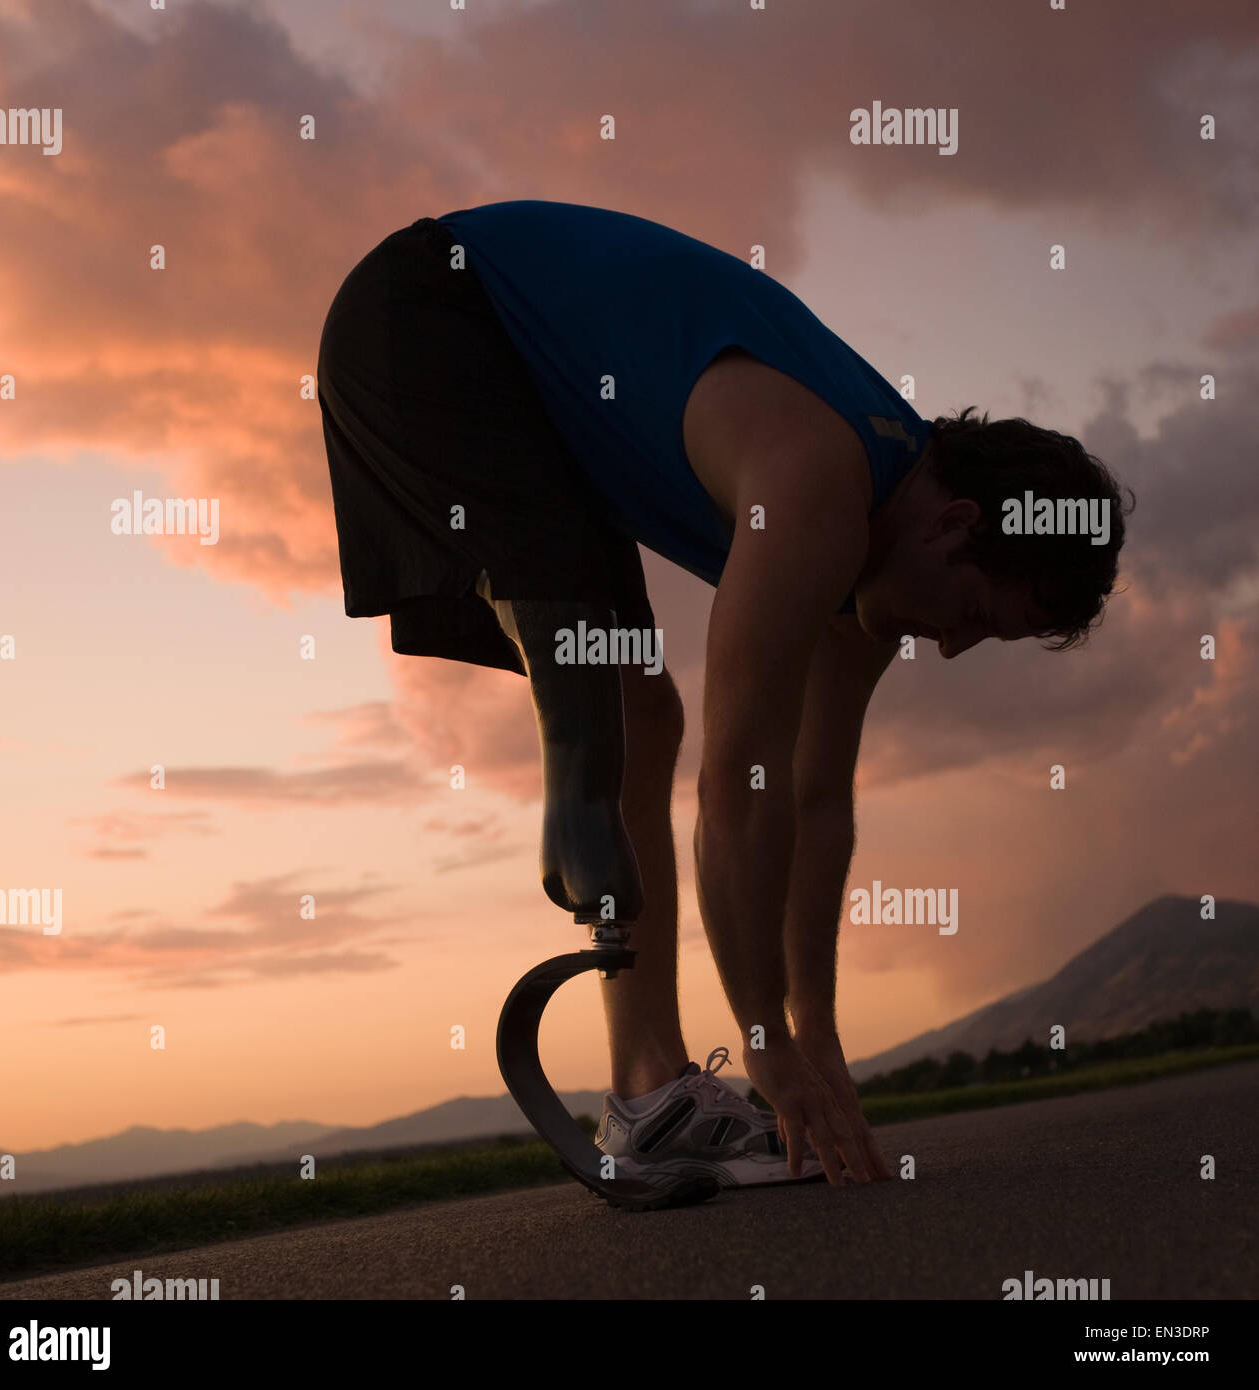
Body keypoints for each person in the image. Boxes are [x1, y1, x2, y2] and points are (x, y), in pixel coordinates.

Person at [317, 200, 1130, 1192]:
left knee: (640, 713)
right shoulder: (819, 483)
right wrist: (762, 1037)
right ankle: (649, 1082)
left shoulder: (875, 560)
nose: (950, 646)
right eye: (971, 611)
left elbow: (815, 800)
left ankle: (647, 1096)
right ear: (954, 526)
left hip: (524, 379)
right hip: (433, 314)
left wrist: (814, 1032)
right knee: (620, 716)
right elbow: (734, 793)